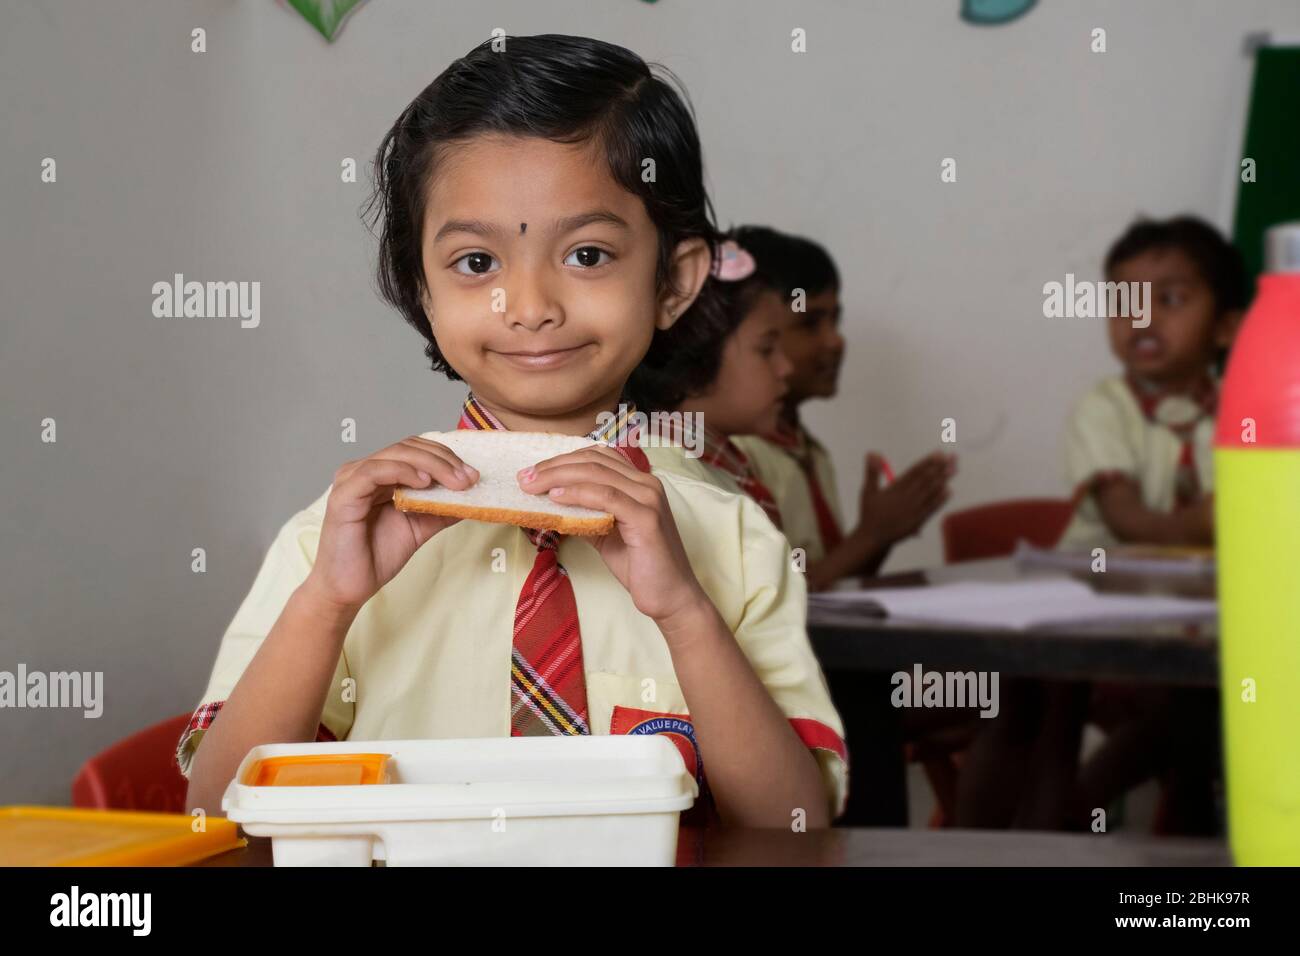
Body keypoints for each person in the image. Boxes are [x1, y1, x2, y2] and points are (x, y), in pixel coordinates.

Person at [178, 35, 847, 827]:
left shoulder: (733, 539)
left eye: (588, 253)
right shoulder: (331, 543)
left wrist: (686, 617)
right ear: (417, 286)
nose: (528, 307)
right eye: (475, 264)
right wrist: (327, 604)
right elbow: (215, 817)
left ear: (674, 281)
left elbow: (793, 828)